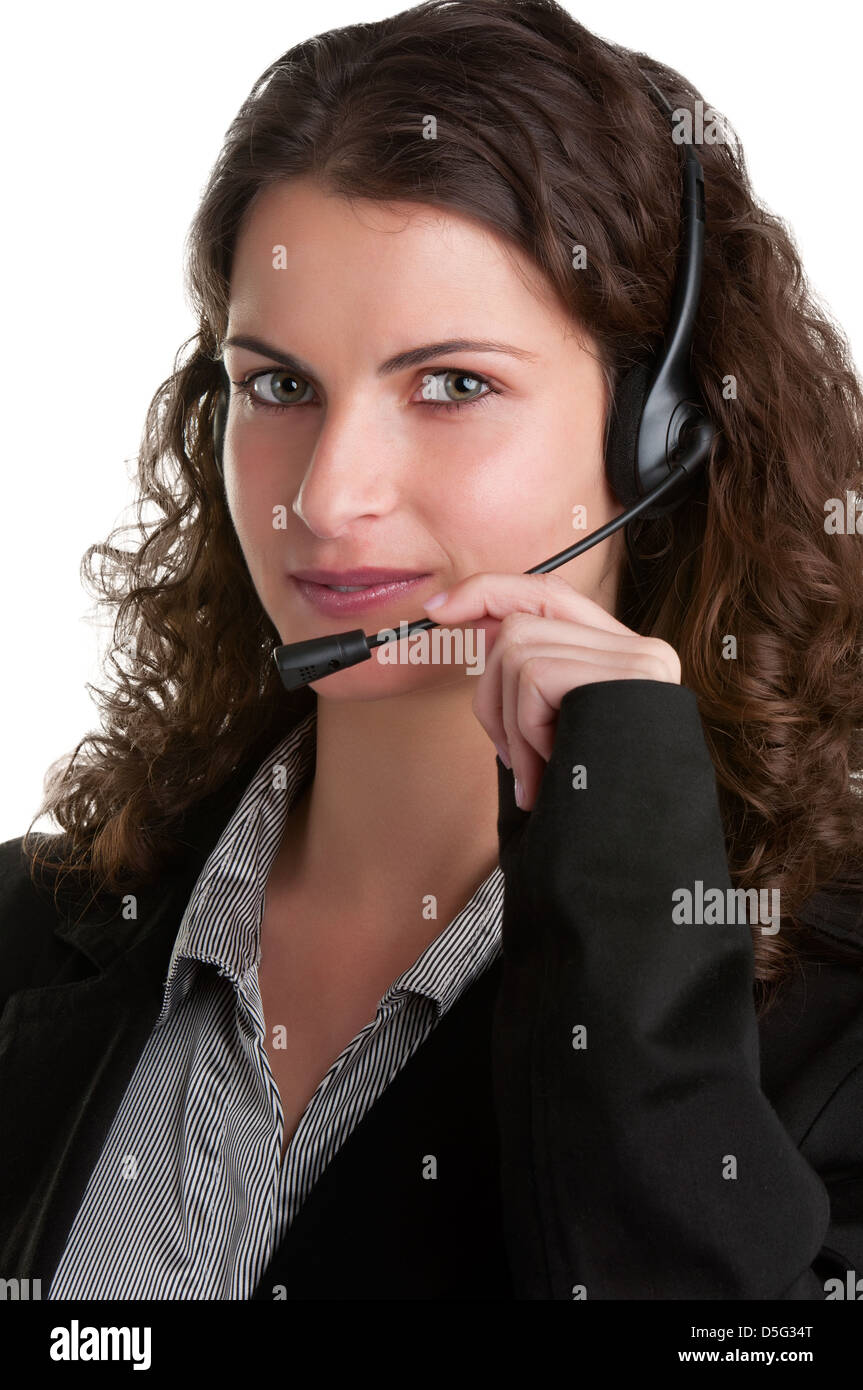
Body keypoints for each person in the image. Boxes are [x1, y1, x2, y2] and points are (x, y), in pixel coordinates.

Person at [1, 0, 862, 1301]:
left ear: (660, 437)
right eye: (279, 387)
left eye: (451, 385)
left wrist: (629, 928)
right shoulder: (36, 923)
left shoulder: (837, 1016)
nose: (332, 498)